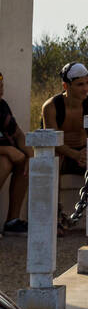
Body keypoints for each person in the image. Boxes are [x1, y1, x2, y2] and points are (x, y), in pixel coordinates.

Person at [41, 62, 88, 178]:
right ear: (66, 86)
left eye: (87, 83)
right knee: (53, 159)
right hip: (62, 155)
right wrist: (74, 154)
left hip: (84, 155)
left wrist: (85, 153)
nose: (85, 88)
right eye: (80, 85)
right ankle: (54, 196)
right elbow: (51, 140)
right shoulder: (51, 107)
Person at [0, 70, 33, 234]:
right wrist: (7, 150)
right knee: (5, 162)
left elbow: (18, 134)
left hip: (10, 154)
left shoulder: (2, 106)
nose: (1, 88)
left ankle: (12, 221)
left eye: (1, 84)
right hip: (4, 157)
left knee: (26, 163)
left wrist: (29, 154)